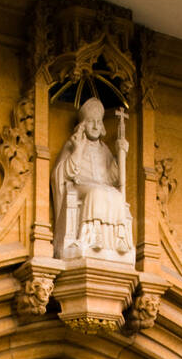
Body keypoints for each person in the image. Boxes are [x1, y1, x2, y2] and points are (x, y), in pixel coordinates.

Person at [51, 98, 133, 260]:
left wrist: (120, 154)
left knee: (116, 195)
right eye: (90, 122)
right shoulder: (73, 143)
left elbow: (114, 178)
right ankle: (91, 237)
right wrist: (78, 150)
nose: (95, 126)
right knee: (97, 192)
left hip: (101, 187)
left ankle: (119, 239)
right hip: (81, 185)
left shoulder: (104, 149)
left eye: (98, 122)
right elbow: (61, 173)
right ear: (82, 125)